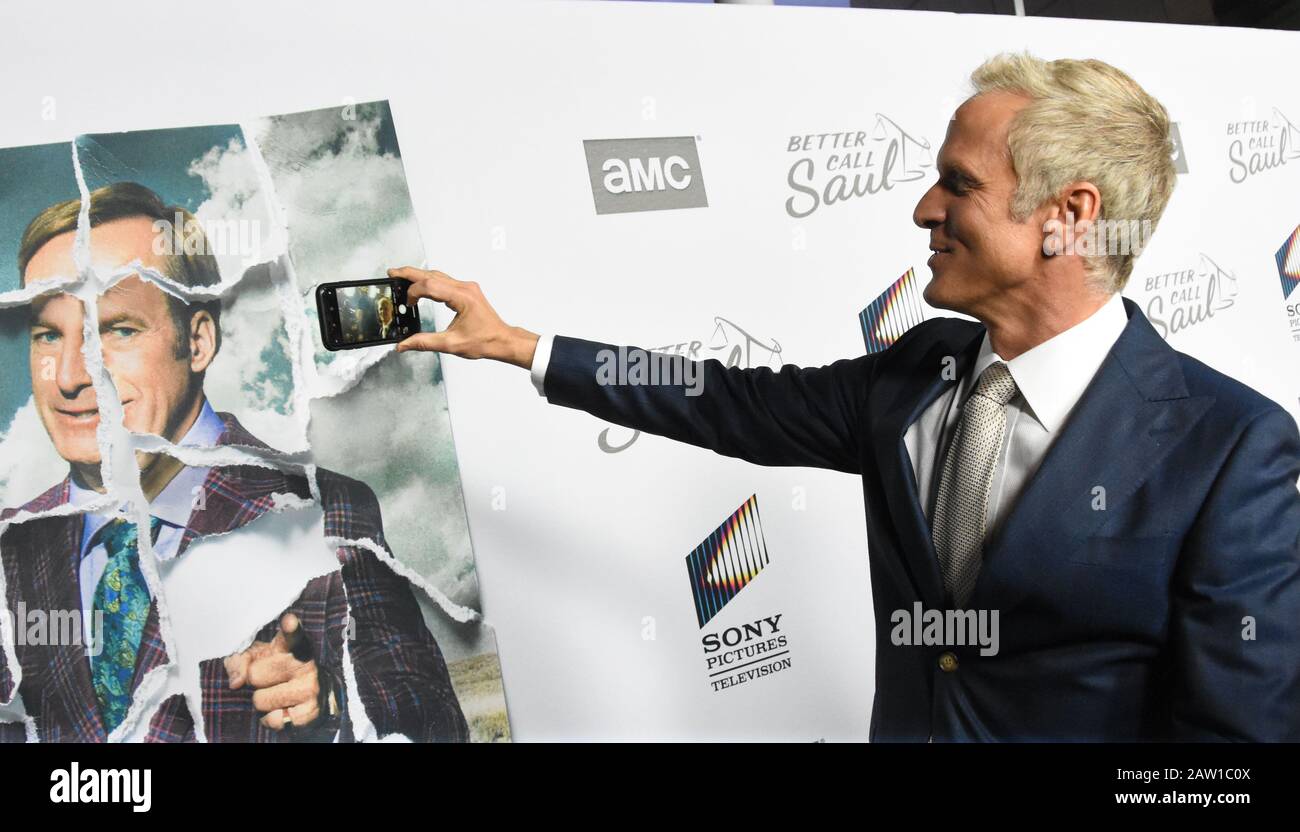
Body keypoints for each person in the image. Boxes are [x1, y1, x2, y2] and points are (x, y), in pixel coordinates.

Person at [388, 53, 1300, 741]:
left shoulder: (1229, 448)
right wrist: (520, 346)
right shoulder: (919, 369)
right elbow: (722, 399)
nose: (923, 211)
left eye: (960, 184)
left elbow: (1232, 751)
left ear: (1068, 215)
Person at [0, 181, 469, 742]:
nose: (73, 375)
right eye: (49, 336)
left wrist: (331, 702)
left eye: (118, 331)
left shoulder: (325, 510)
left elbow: (430, 719)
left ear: (197, 342)